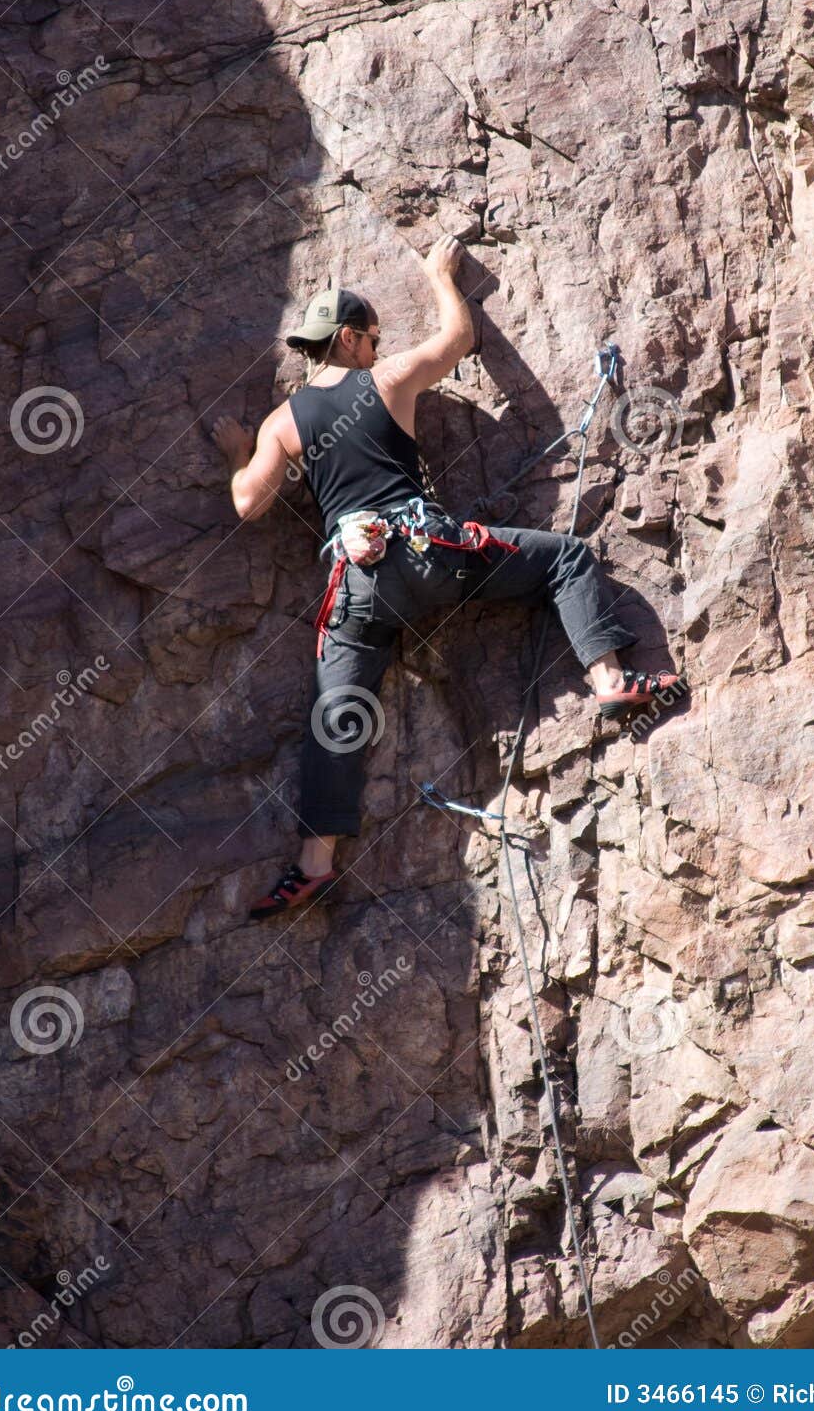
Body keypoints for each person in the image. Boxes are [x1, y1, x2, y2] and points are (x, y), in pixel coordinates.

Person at [210, 235, 685, 920]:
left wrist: (240, 452)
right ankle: (610, 682)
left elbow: (246, 503)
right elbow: (458, 338)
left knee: (334, 718)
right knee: (565, 557)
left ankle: (313, 865)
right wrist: (438, 273)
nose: (375, 347)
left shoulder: (281, 423)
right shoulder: (385, 379)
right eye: (370, 337)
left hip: (358, 590)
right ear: (347, 340)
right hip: (429, 555)